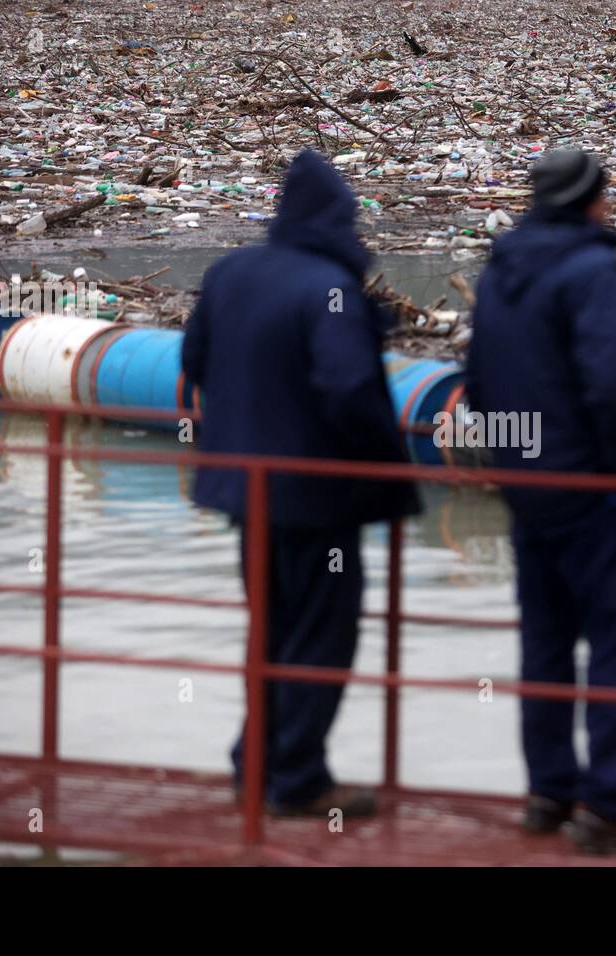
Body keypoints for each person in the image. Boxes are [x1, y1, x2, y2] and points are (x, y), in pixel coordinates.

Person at [181, 149, 420, 818]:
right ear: (338, 219)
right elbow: (348, 388)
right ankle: (296, 780)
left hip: (243, 492)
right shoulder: (328, 287)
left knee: (270, 631)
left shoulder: (231, 273)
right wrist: (387, 466)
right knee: (321, 637)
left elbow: (194, 360)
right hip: (317, 497)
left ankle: (254, 765)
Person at [466, 149, 616, 853]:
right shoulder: (597, 272)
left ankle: (549, 793)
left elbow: (478, 381)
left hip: (527, 488)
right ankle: (610, 809)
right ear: (591, 199)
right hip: (592, 489)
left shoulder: (499, 272)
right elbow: (614, 387)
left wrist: (507, 463)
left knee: (544, 641)